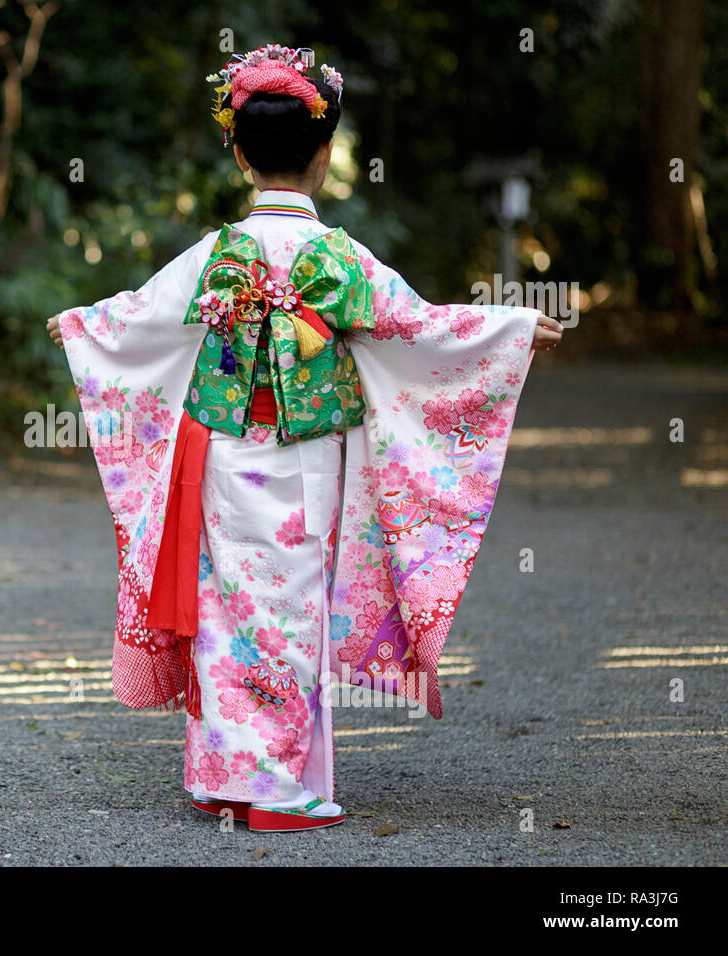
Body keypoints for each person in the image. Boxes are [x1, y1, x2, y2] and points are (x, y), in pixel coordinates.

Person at [45, 44, 563, 832]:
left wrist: (81, 328)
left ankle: (225, 776)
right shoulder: (338, 258)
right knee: (292, 611)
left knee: (228, 607)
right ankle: (278, 790)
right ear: (324, 157)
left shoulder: (216, 255)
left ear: (241, 154)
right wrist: (515, 329)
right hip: (309, 457)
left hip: (220, 454)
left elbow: (138, 317)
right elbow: (422, 329)